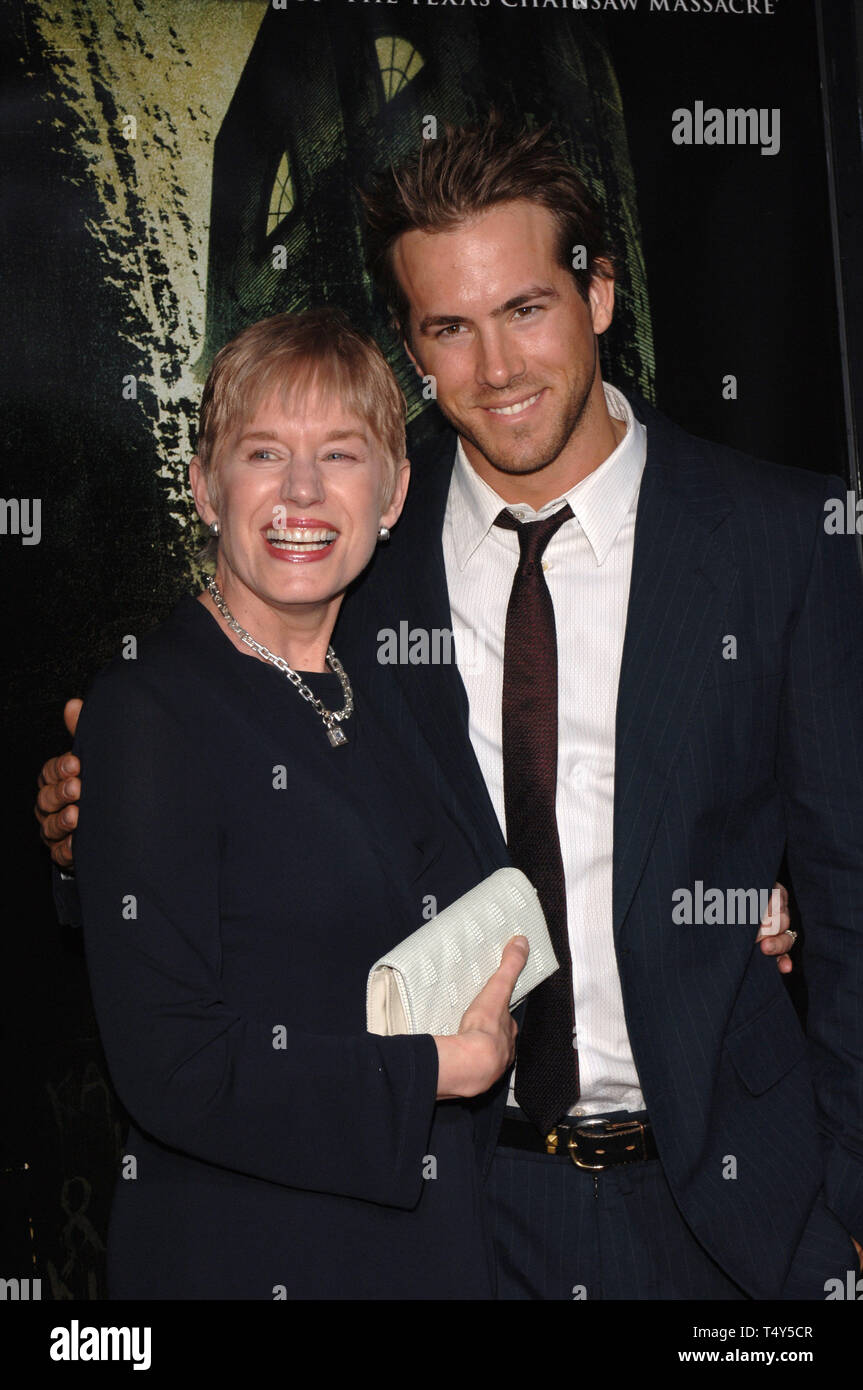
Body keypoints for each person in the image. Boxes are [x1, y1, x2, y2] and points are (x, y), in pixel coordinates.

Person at [35, 117, 812, 1299]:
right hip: (457, 1213)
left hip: (727, 1207)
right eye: (448, 327)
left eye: (524, 309)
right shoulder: (363, 577)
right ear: (414, 348)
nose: (494, 367)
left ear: (597, 294)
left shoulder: (775, 539)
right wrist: (90, 832)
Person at [53, 308, 532, 1300]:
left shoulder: (393, 687)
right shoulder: (148, 709)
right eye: (263, 452)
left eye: (341, 455)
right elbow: (173, 1065)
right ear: (204, 486)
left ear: (393, 492)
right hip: (249, 1254)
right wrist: (431, 1072)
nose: (303, 493)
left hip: (434, 1248)